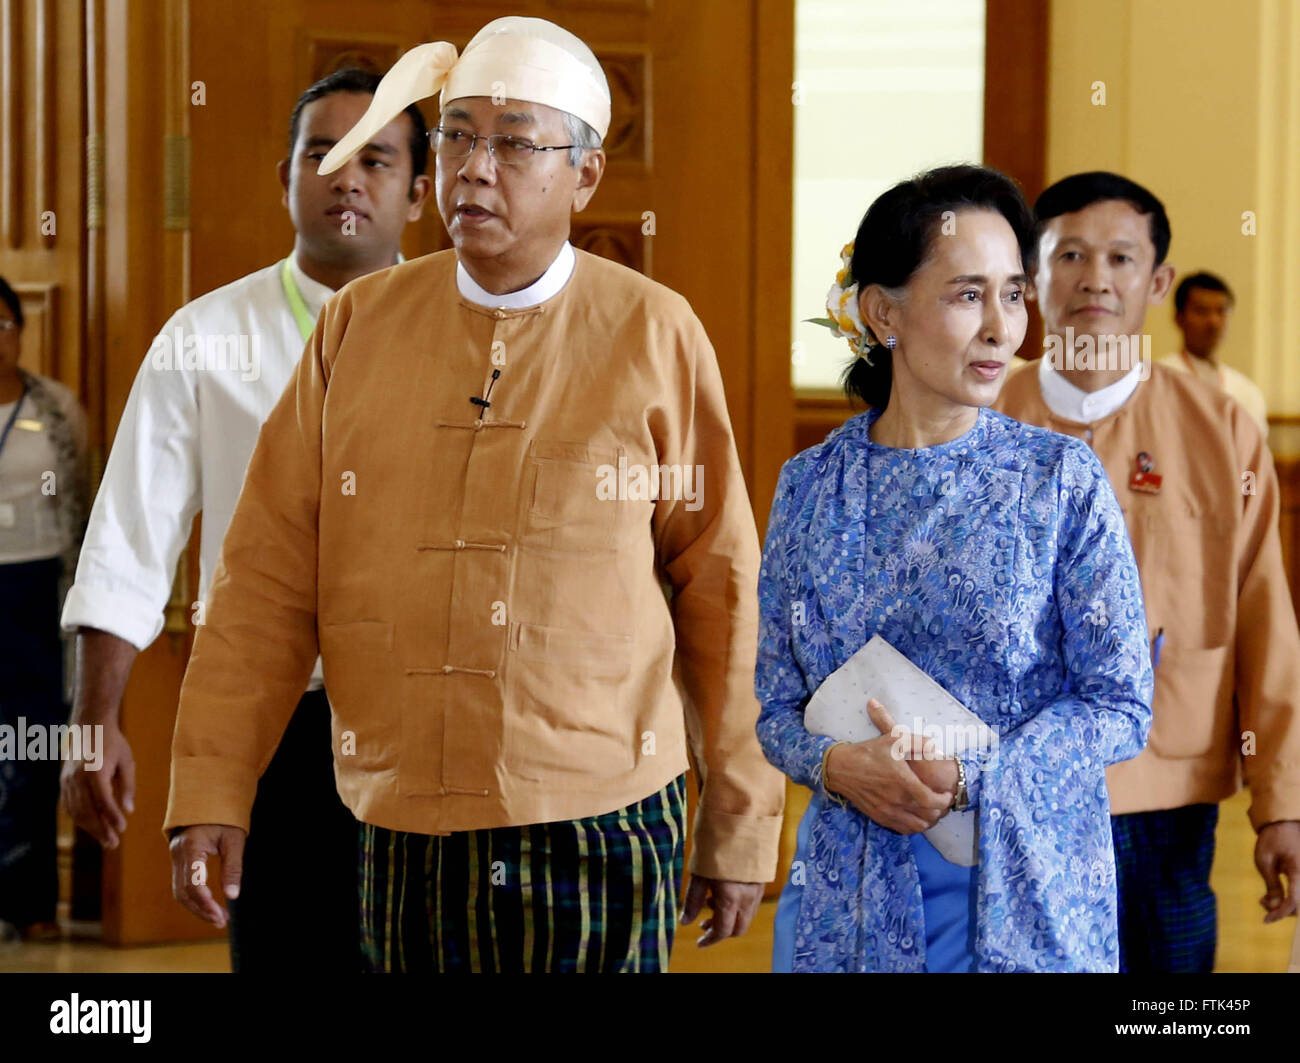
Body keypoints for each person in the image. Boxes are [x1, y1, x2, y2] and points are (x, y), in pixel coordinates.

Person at [163, 16, 785, 973]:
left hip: (602, 821)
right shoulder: (359, 329)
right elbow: (264, 575)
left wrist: (739, 815)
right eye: (456, 135)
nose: (474, 168)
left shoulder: (655, 333)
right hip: (402, 815)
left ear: (584, 174)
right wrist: (211, 784)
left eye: (514, 141)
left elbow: (722, 587)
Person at [58, 68, 431, 971]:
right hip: (276, 725)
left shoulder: (466, 329)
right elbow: (129, 539)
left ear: (419, 192)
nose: (346, 177)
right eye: (322, 154)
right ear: (285, 176)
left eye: (374, 159)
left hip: (432, 722)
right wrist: (93, 719)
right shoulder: (202, 339)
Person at [757, 164, 1153, 973]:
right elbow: (773, 708)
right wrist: (837, 766)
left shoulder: (1058, 482)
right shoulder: (809, 486)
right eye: (969, 294)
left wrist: (972, 775)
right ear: (882, 311)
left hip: (1025, 890)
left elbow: (1120, 703)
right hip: (849, 897)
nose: (1003, 330)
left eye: (1013, 294)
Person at [997, 172, 1300, 972]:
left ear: (1157, 281)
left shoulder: (1221, 428)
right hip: (1008, 779)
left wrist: (1284, 802)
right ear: (1032, 278)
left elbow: (1265, 612)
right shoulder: (978, 416)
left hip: (1169, 780)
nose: (1096, 276)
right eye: (1069, 255)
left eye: (1122, 258)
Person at [0, 275, 89, 943]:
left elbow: (84, 499)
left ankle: (33, 904)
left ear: (20, 332)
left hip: (36, 591)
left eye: (4, 325)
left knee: (32, 743)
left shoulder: (56, 408)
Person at [1158, 271, 1268, 435]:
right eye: (1201, 311)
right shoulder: (1158, 379)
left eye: (1221, 311)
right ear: (1179, 318)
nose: (1213, 322)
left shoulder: (1247, 391)